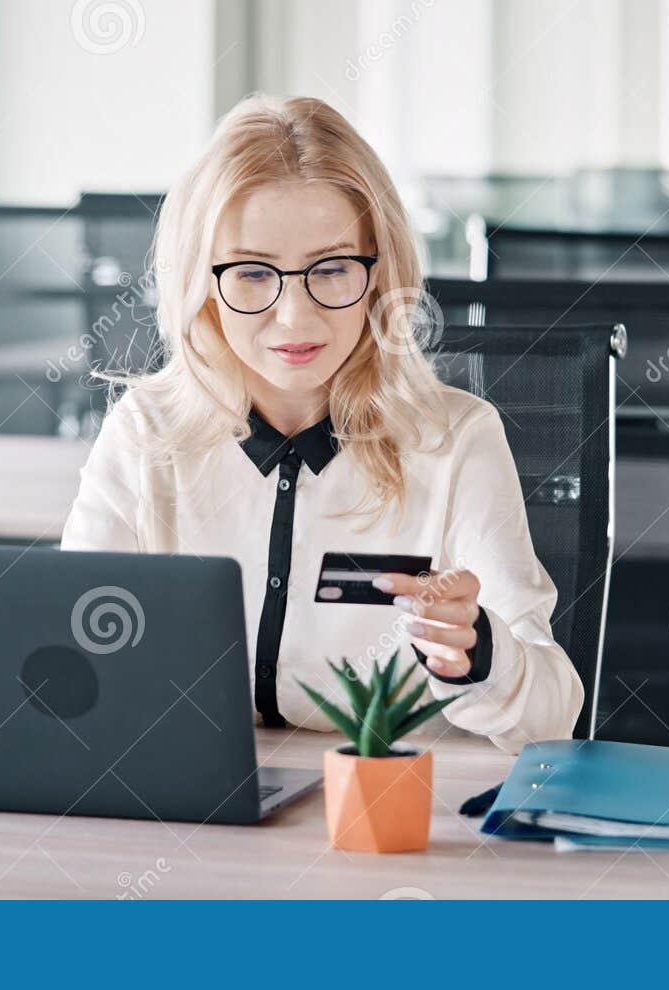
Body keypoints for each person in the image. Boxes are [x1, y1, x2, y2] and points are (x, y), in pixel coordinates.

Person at [61, 94, 581, 752]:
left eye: (332, 269)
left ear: (379, 273)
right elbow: (72, 661)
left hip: (390, 821)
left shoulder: (456, 442)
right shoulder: (145, 434)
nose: (295, 320)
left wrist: (480, 654)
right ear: (200, 280)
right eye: (251, 274)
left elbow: (551, 715)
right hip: (188, 814)